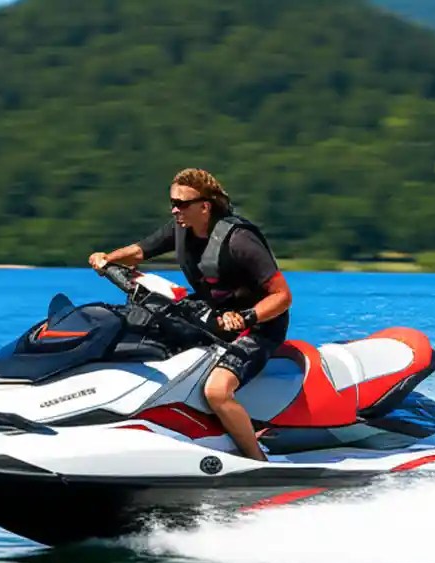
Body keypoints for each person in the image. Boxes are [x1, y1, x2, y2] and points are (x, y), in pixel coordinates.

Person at [88, 168, 292, 461]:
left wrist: (247, 317)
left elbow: (283, 297)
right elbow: (139, 250)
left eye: (182, 204)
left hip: (258, 326)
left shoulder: (240, 240)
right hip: (214, 317)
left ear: (204, 206)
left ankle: (257, 462)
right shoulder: (180, 228)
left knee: (216, 391)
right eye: (172, 202)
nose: (175, 209)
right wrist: (107, 258)